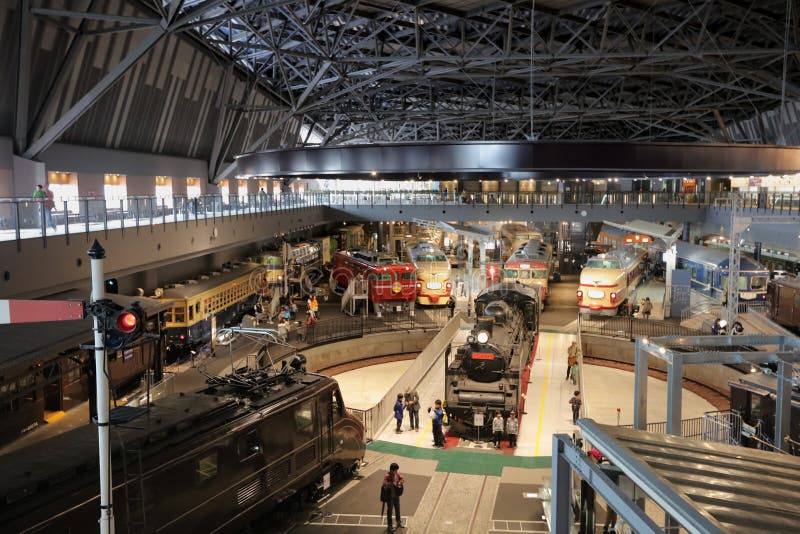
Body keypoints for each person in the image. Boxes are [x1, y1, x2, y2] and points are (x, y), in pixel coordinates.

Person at [381, 463, 405, 532]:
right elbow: (384, 484)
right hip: (390, 497)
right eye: (395, 470)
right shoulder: (387, 476)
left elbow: (403, 479)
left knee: (397, 509)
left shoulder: (397, 474)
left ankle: (398, 522)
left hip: (396, 496)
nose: (397, 472)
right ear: (392, 470)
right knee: (390, 511)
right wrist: (391, 484)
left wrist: (400, 482)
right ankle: (390, 526)